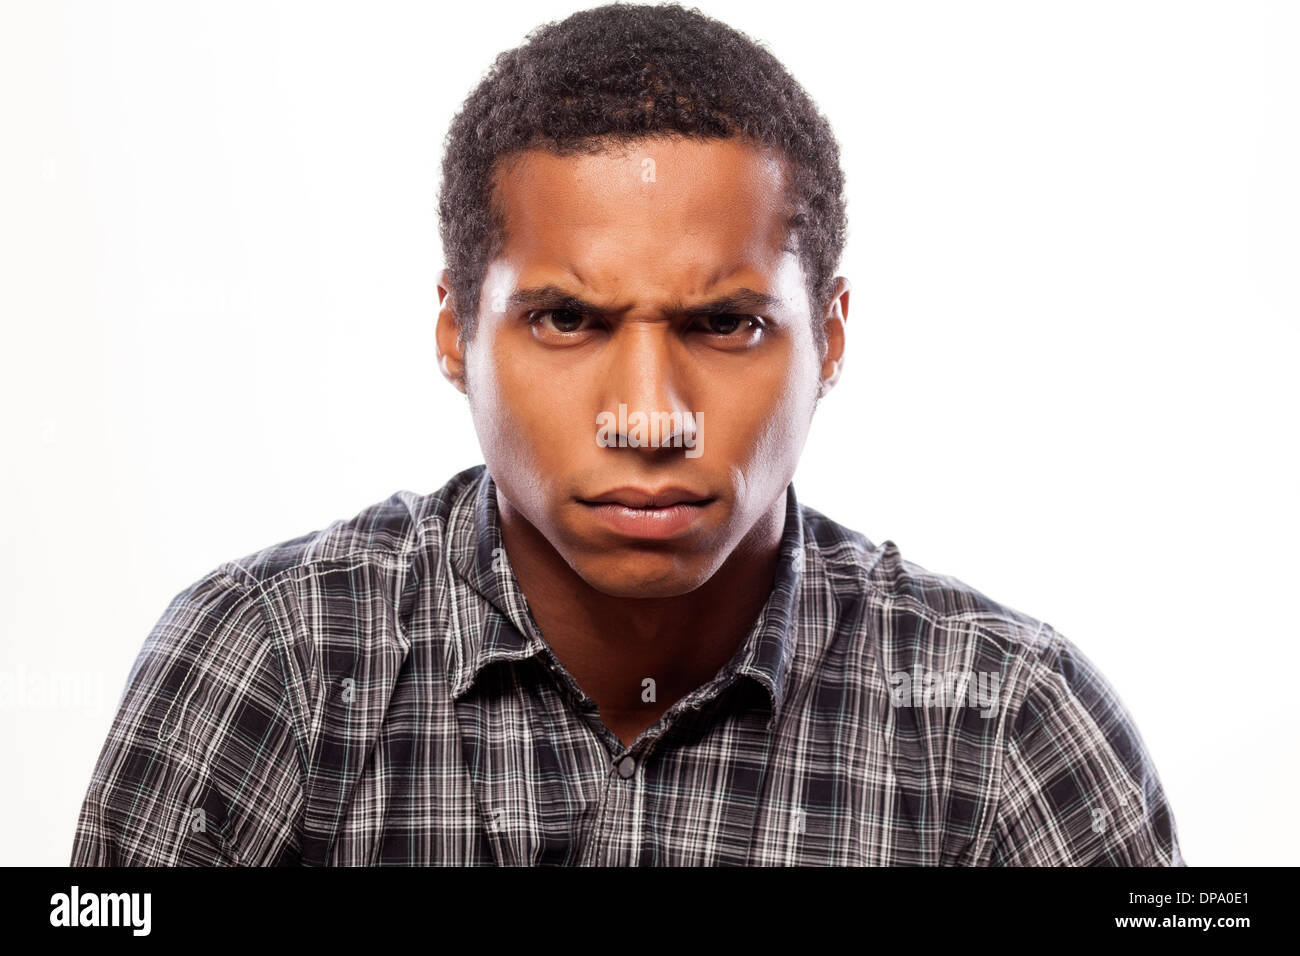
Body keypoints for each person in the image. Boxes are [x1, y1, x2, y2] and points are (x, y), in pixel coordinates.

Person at [71, 2, 1183, 865]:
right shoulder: (271, 663)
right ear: (456, 330)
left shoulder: (1006, 726)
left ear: (829, 338)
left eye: (723, 323)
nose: (648, 414)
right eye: (566, 319)